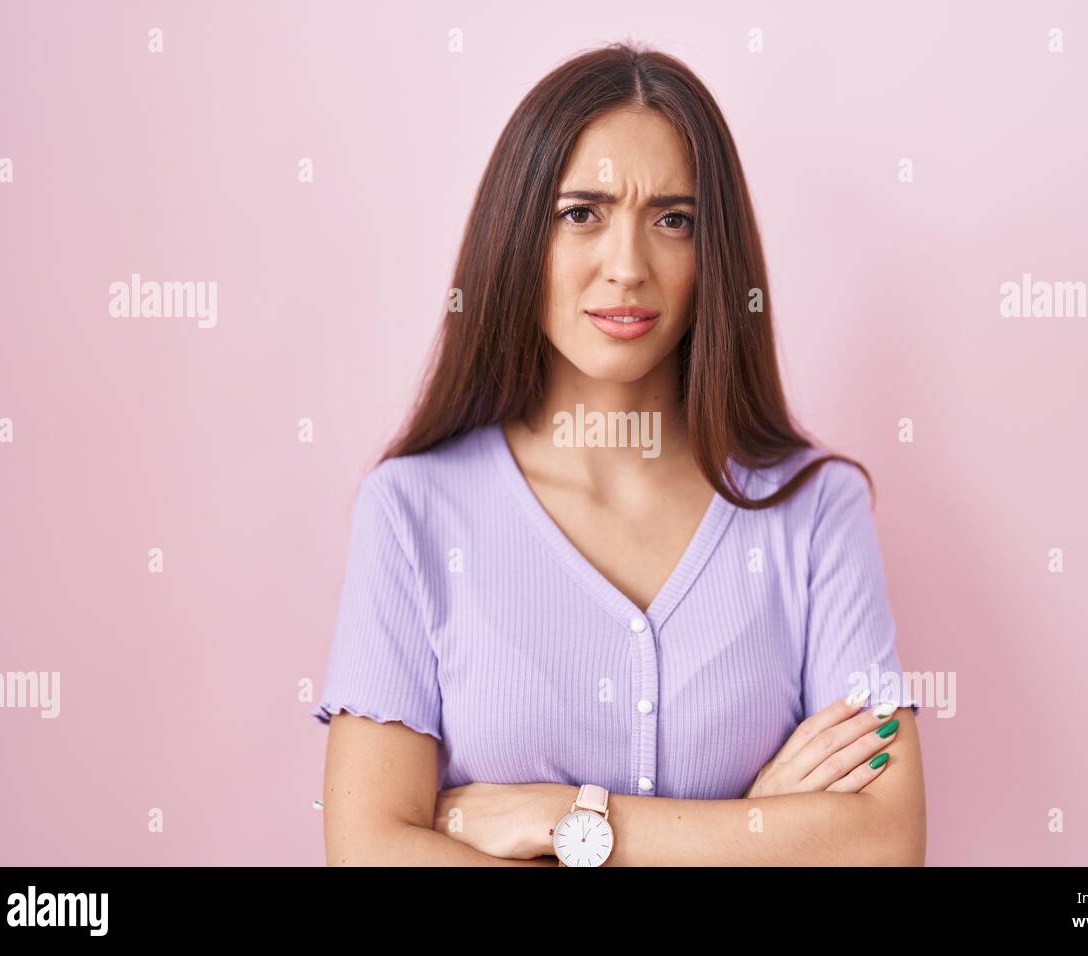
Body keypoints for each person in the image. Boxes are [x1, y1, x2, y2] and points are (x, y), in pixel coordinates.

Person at [313, 41, 925, 866]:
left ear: (715, 258)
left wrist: (573, 820)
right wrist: (752, 830)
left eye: (674, 220)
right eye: (582, 213)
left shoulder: (817, 511)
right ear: (517, 236)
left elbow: (885, 843)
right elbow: (369, 850)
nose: (629, 267)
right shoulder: (411, 511)